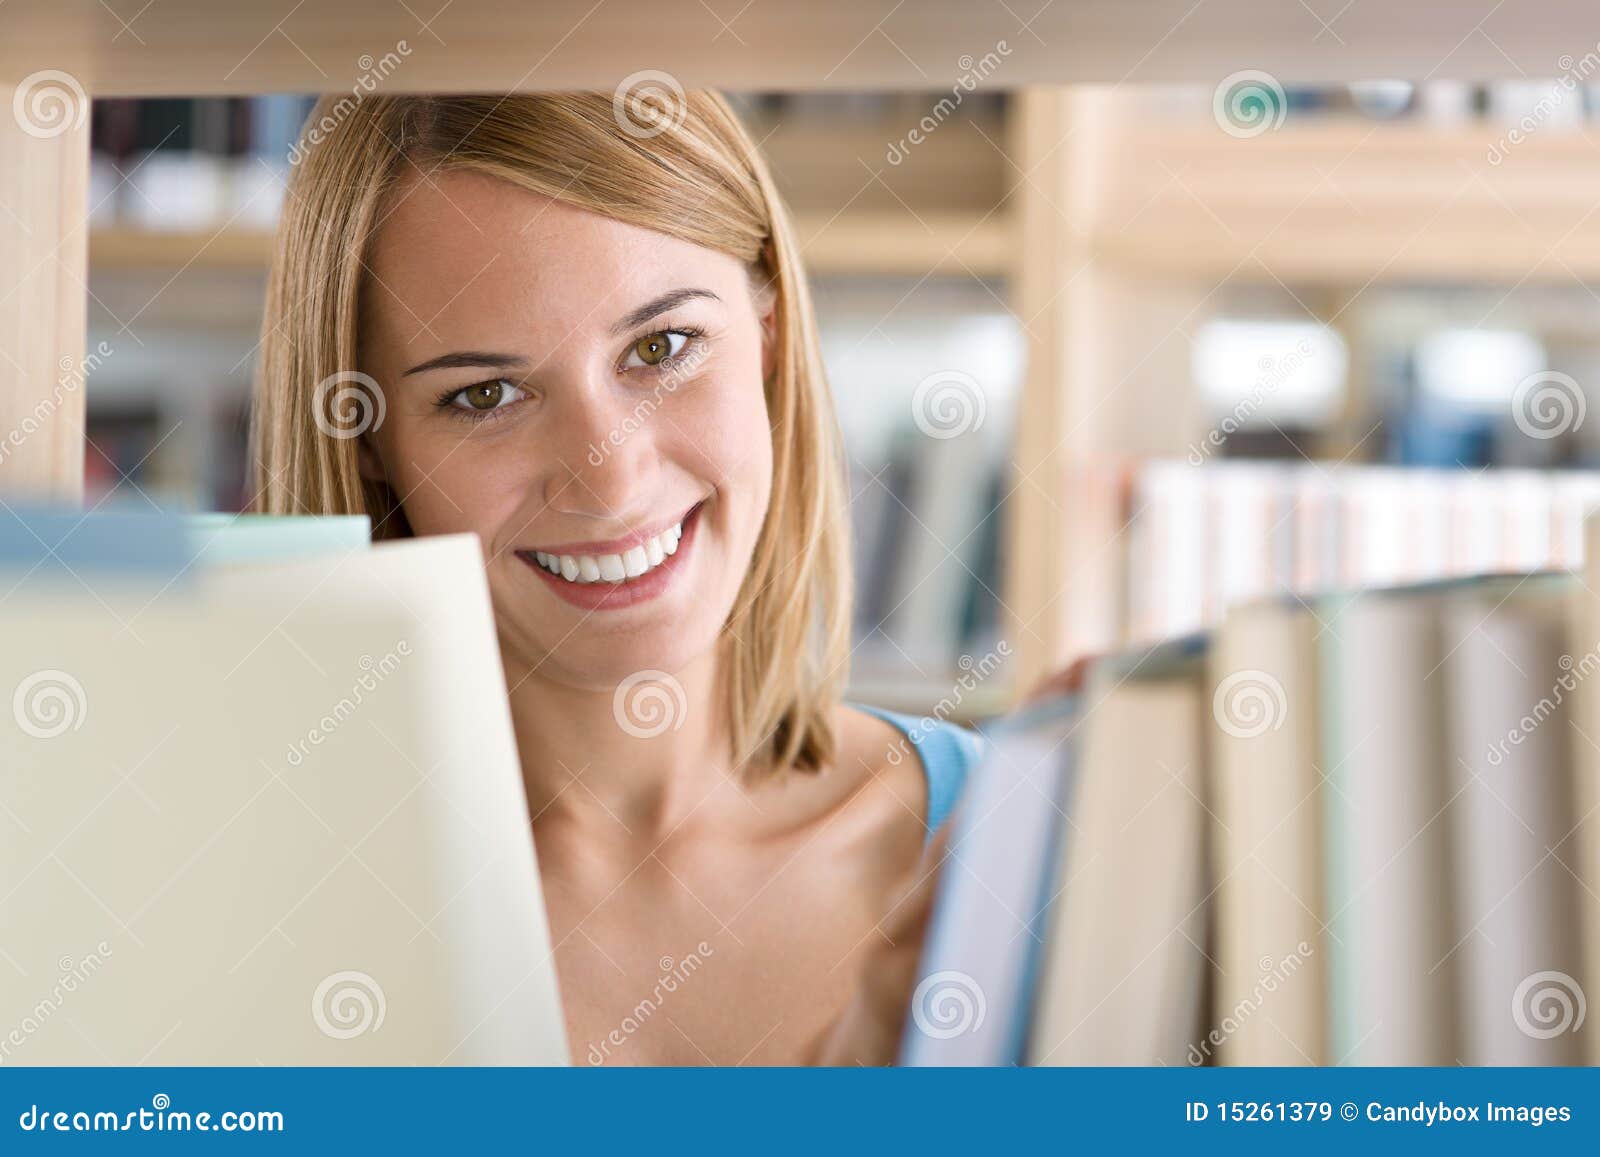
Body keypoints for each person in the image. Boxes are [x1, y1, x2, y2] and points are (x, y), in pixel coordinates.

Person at [250, 91, 997, 1064]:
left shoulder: (1007, 849)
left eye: (661, 347)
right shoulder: (264, 901)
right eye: (484, 394)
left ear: (768, 335)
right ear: (370, 444)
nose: (610, 479)